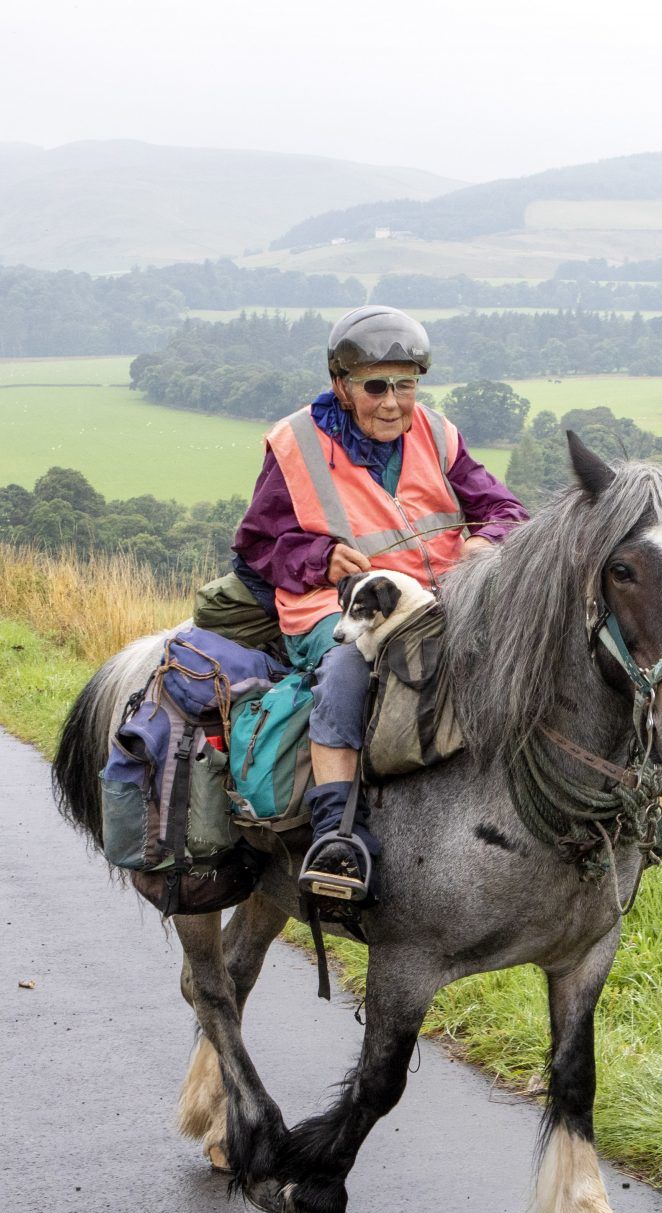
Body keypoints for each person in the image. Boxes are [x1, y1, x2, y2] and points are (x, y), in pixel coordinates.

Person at [232, 306, 529, 896]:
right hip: (337, 610)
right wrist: (318, 560)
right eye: (375, 386)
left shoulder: (438, 434)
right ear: (342, 385)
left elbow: (505, 510)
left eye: (406, 385)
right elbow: (256, 546)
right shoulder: (297, 444)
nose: (392, 402)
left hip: (436, 604)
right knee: (349, 666)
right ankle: (335, 832)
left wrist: (484, 541)